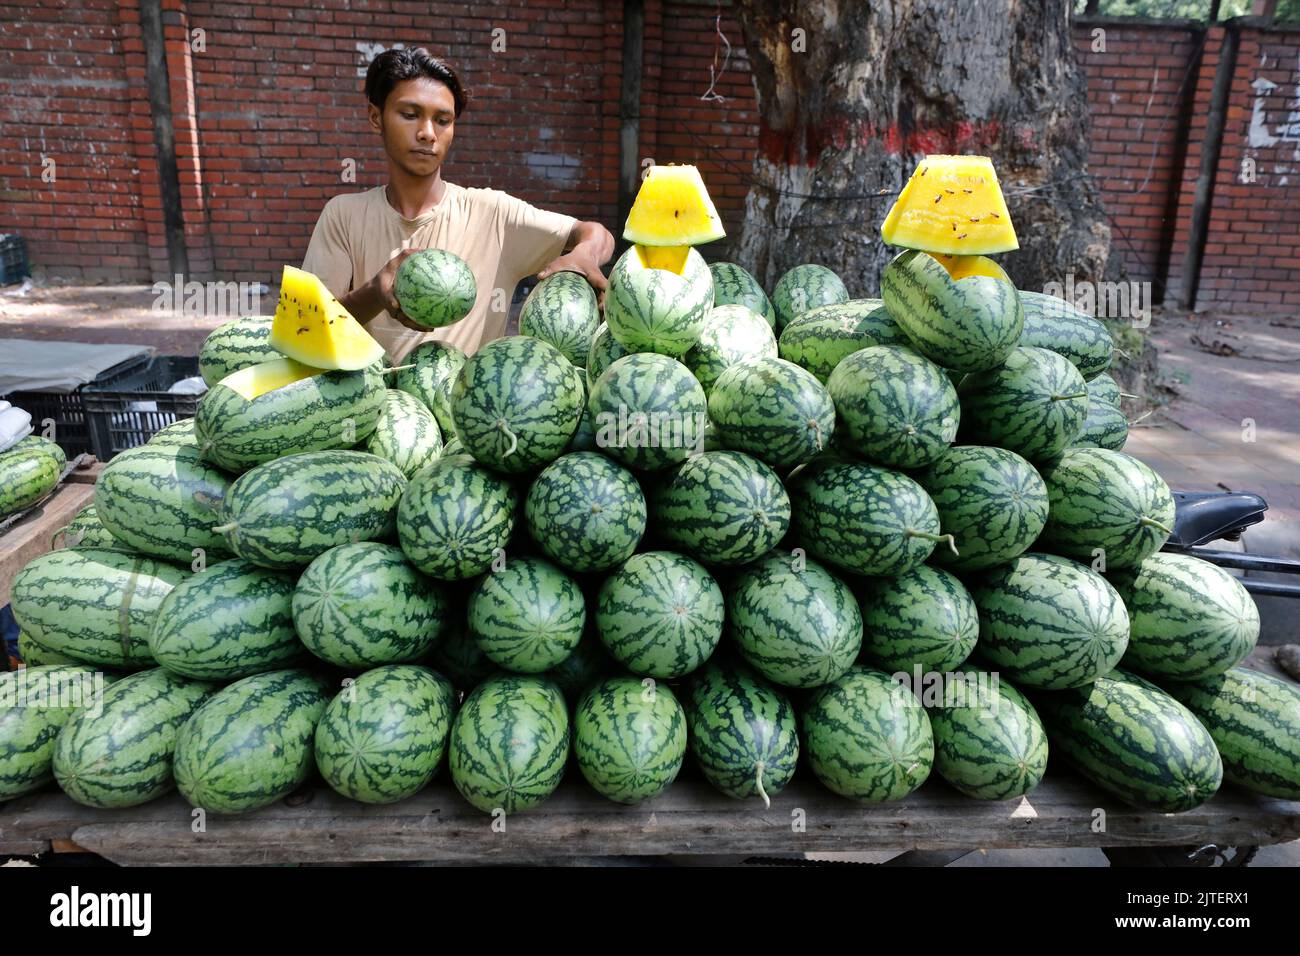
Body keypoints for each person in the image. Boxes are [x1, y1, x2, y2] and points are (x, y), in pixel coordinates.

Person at [302, 48, 613, 360]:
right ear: (375, 117)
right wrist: (374, 293)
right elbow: (306, 333)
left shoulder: (493, 214)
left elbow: (592, 231)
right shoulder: (344, 215)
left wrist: (584, 254)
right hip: (378, 406)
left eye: (442, 120)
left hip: (473, 405)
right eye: (410, 115)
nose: (427, 133)